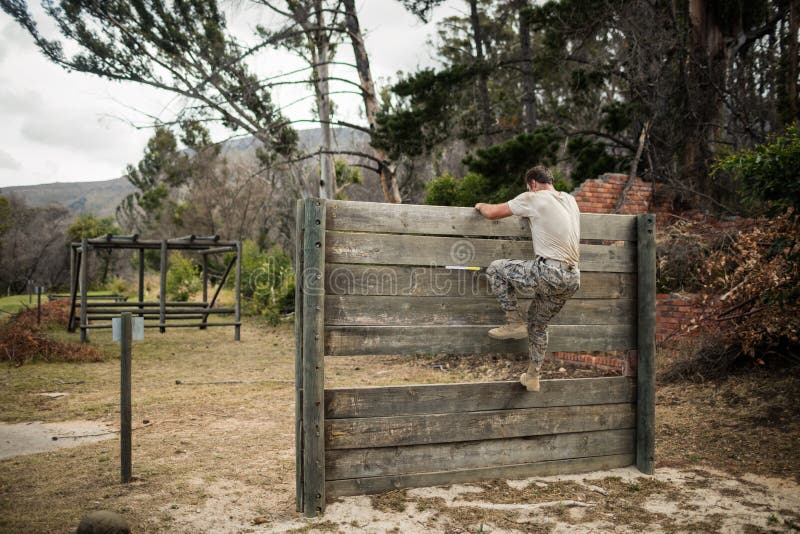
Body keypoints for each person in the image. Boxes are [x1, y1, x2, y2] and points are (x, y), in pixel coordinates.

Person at [474, 165, 581, 392]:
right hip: (572, 277)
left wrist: (480, 205)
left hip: (550, 272)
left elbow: (492, 213)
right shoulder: (570, 200)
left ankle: (513, 321)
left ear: (532, 183)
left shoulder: (534, 198)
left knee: (495, 269)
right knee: (537, 321)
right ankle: (533, 375)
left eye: (528, 187)